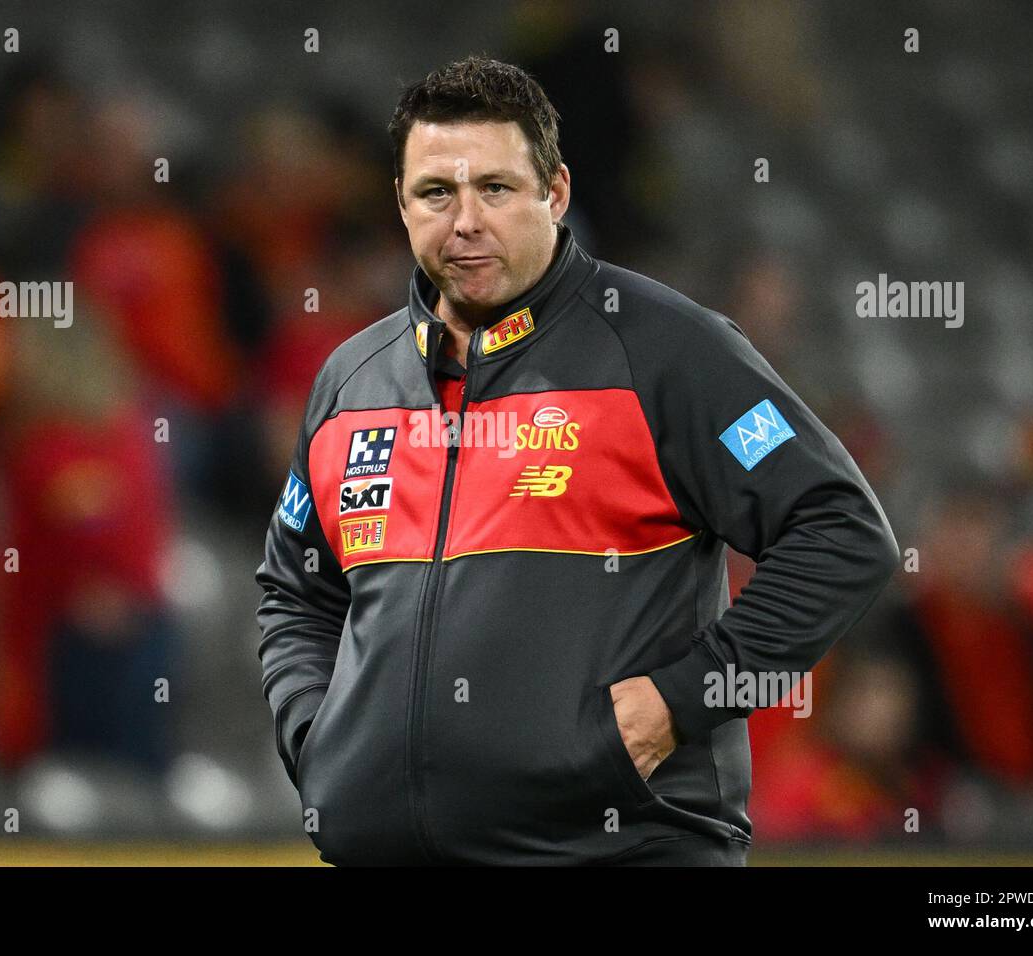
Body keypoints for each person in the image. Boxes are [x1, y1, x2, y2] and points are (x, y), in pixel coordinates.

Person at [255, 56, 899, 866]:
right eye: (435, 193)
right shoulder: (351, 382)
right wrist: (322, 739)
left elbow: (842, 532)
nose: (465, 222)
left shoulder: (667, 353)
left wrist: (683, 698)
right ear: (400, 203)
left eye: (495, 188)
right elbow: (295, 590)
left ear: (555, 193)